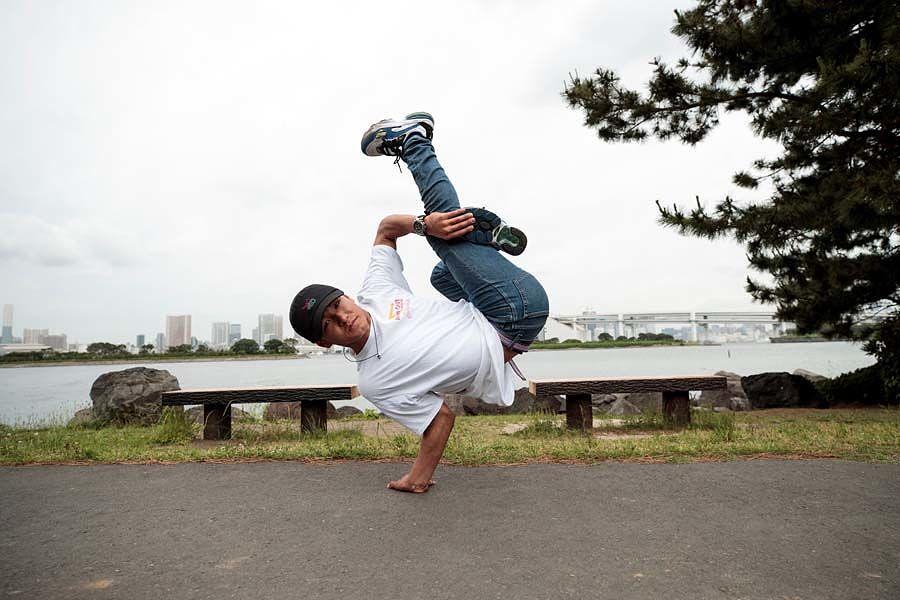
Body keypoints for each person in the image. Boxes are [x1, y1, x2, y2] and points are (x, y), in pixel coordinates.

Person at [289, 113, 549, 493]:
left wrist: (424, 226)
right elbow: (439, 419)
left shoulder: (376, 291)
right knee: (448, 245)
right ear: (323, 341)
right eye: (329, 322)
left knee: (440, 264)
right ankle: (473, 232)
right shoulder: (375, 382)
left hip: (493, 308)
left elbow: (385, 229)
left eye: (337, 304)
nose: (342, 317)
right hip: (511, 317)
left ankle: (413, 142)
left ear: (346, 295)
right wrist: (418, 478)